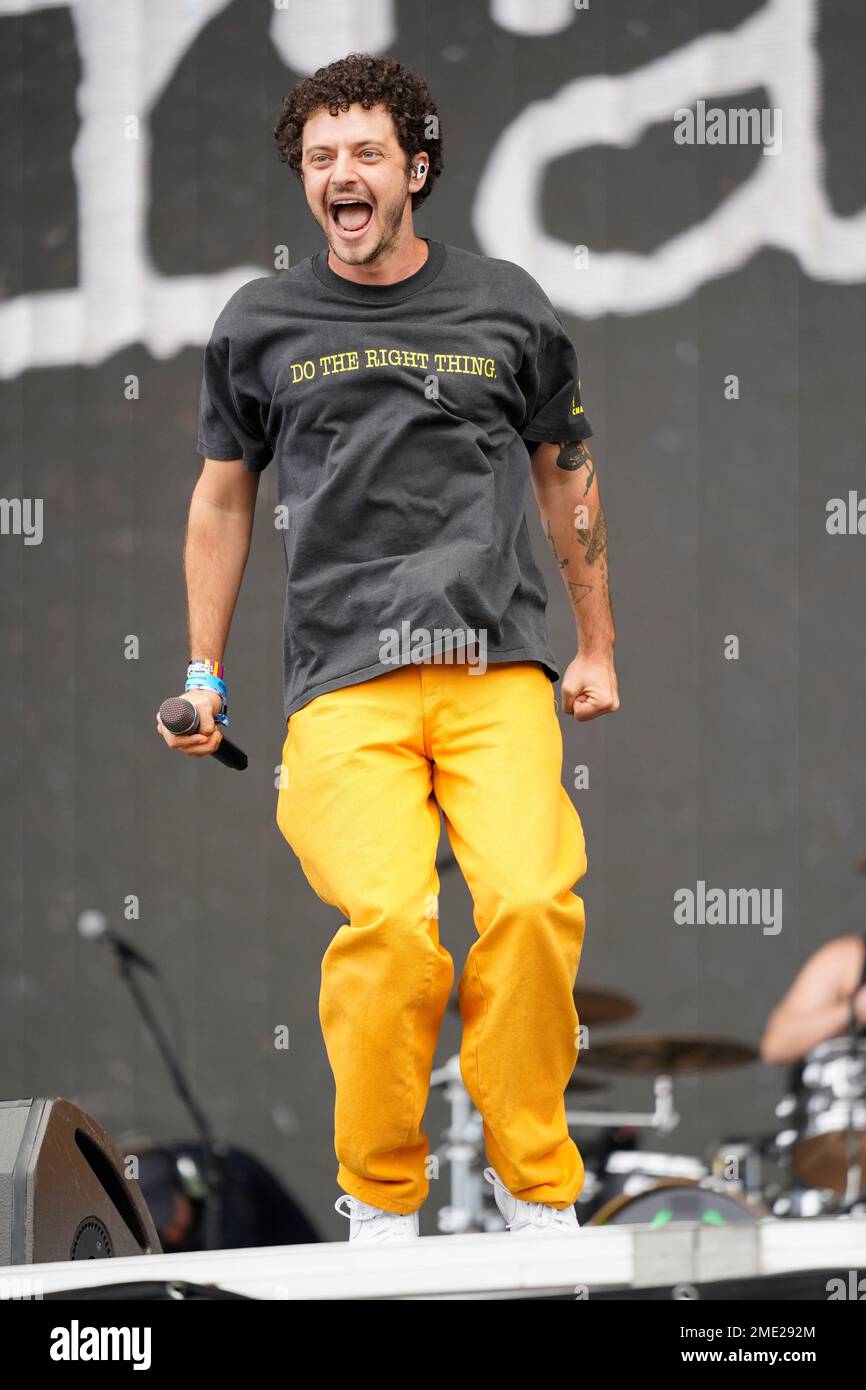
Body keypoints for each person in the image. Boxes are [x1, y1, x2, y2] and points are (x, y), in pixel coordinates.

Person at [157, 53, 619, 1243]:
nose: (340, 176)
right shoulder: (260, 324)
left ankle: (530, 1181)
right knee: (392, 933)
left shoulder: (505, 305)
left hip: (494, 672)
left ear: (413, 169)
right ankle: (381, 1194)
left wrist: (595, 645)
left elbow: (565, 472)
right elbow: (220, 501)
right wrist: (201, 673)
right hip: (341, 689)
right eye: (319, 160)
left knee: (525, 903)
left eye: (364, 153)